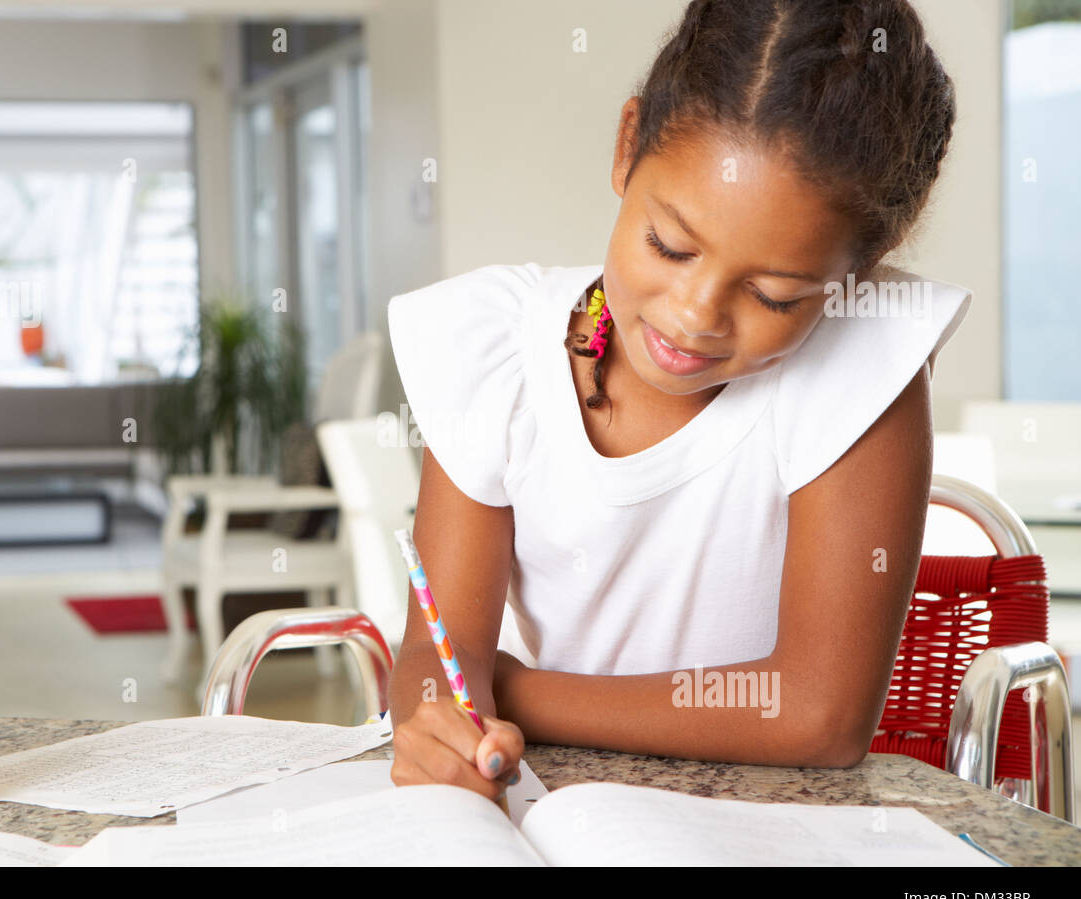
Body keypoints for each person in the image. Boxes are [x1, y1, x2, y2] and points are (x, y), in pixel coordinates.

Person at [386, 0, 972, 805]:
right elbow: (436, 655)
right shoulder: (500, 351)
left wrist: (518, 692)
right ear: (628, 147)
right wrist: (437, 721)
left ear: (860, 269)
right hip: (540, 814)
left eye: (773, 295)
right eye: (670, 245)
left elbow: (819, 714)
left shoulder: (862, 362)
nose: (694, 316)